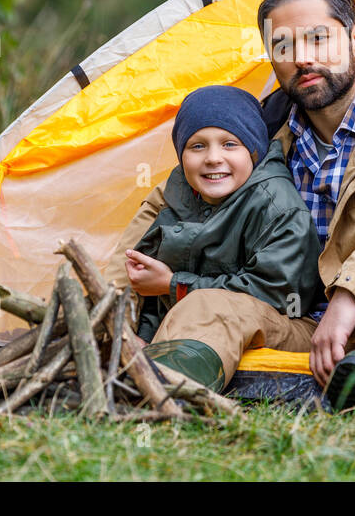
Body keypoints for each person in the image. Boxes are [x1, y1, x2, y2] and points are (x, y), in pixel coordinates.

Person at [108, 0, 355, 411]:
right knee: (206, 306)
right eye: (283, 45)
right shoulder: (257, 132)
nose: (302, 57)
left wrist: (348, 295)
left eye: (318, 38)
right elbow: (166, 204)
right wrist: (108, 311)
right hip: (287, 318)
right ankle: (149, 395)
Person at [111, 84, 323, 393]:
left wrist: (175, 285)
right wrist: (138, 332)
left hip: (284, 324)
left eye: (229, 144)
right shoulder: (179, 192)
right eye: (197, 146)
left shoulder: (276, 206)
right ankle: (139, 362)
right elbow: (139, 276)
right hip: (187, 326)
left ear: (253, 150)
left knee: (204, 306)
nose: (213, 158)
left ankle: (165, 388)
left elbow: (279, 294)